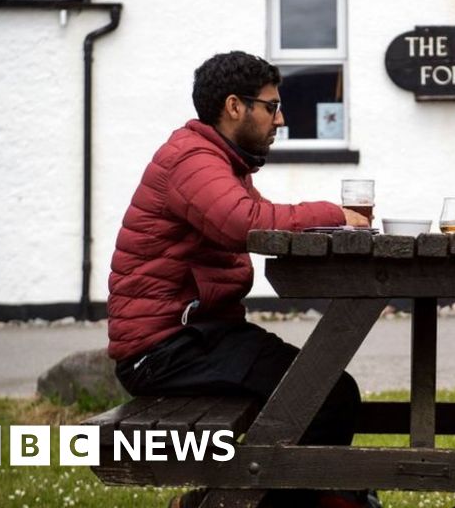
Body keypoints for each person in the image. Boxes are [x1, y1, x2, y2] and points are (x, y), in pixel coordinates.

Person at [107, 51, 375, 508]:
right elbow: (246, 222)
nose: (281, 118)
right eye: (271, 106)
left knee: (328, 389)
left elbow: (259, 220)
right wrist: (335, 214)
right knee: (325, 392)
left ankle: (326, 497)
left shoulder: (217, 161)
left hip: (197, 337)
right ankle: (320, 500)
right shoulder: (191, 160)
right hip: (164, 351)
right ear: (235, 106)